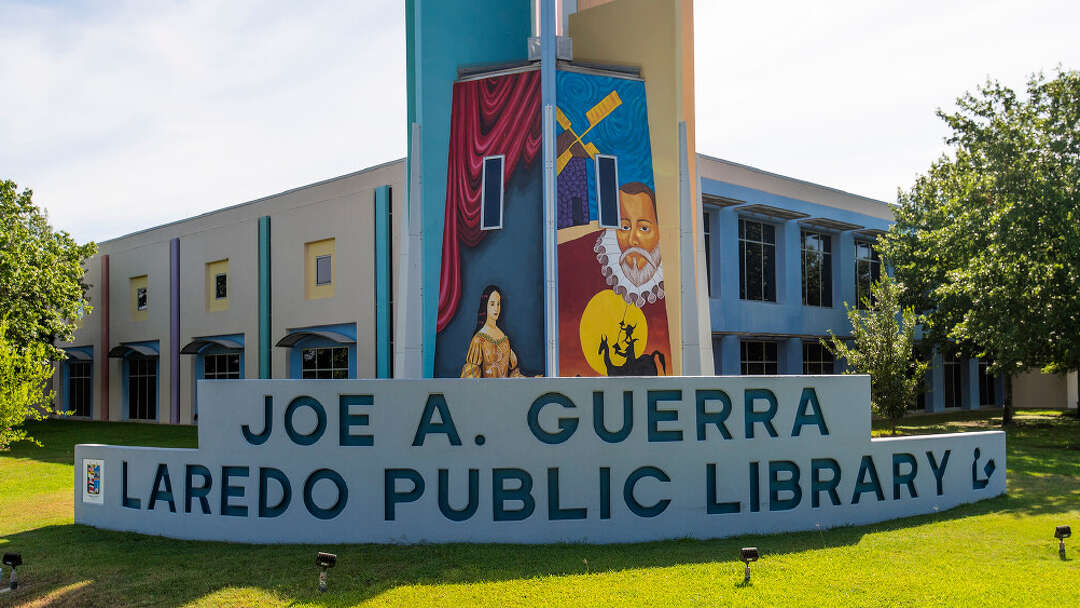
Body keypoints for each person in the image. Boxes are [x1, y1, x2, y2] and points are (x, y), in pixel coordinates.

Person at [460, 285, 529, 378]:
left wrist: (530, 380)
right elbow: (470, 377)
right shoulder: (479, 339)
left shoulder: (504, 339)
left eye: (498, 303)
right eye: (492, 304)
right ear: (485, 306)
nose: (496, 308)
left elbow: (513, 374)